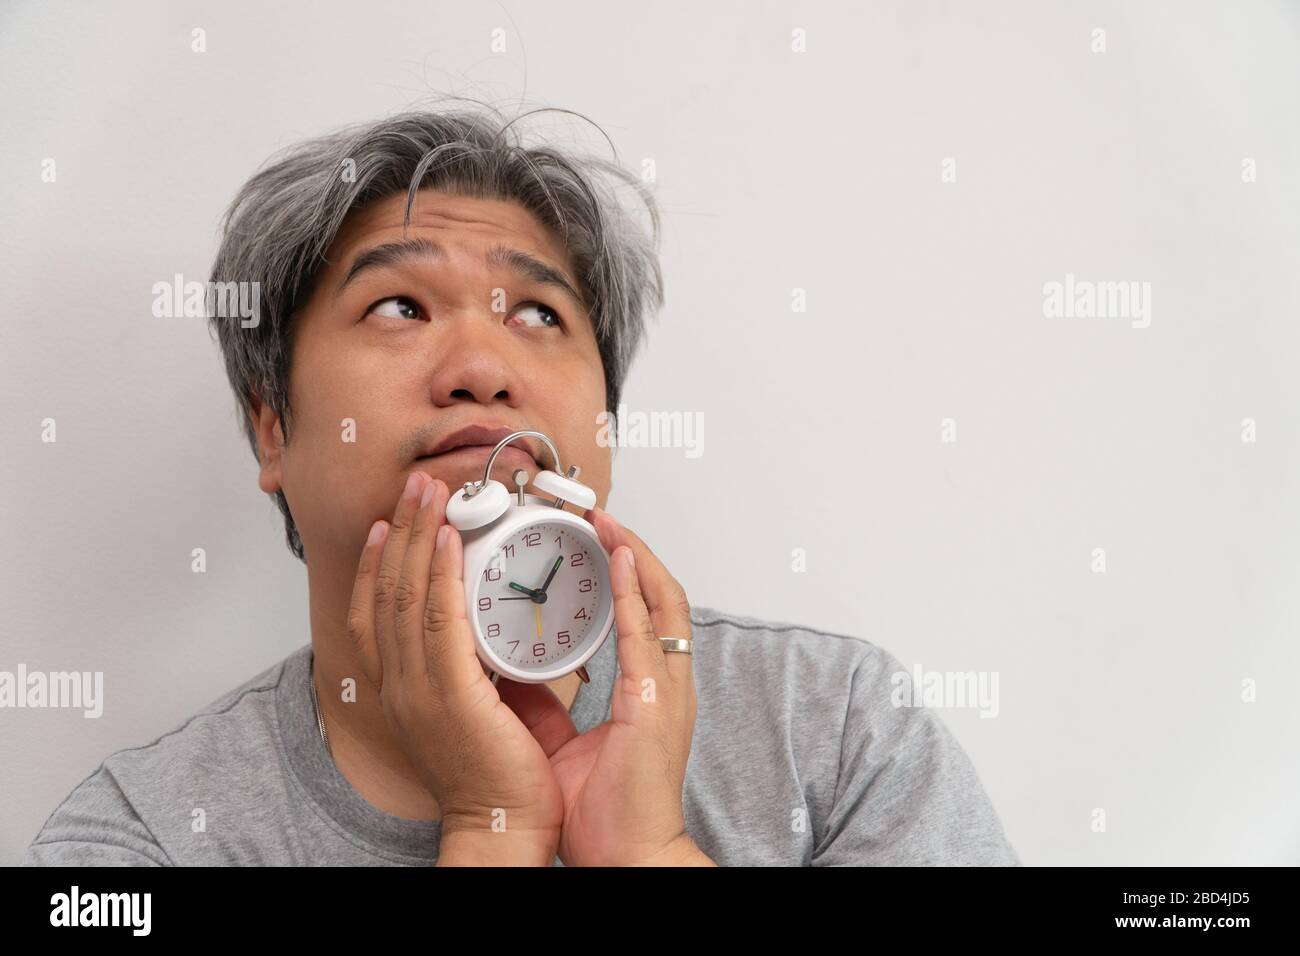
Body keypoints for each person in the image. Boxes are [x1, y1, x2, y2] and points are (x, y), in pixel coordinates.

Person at [22, 103, 1019, 866]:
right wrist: (492, 829)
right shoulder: (142, 835)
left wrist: (647, 850)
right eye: (400, 303)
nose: (481, 366)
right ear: (271, 426)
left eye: (540, 315)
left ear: (604, 427)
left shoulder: (836, 728)